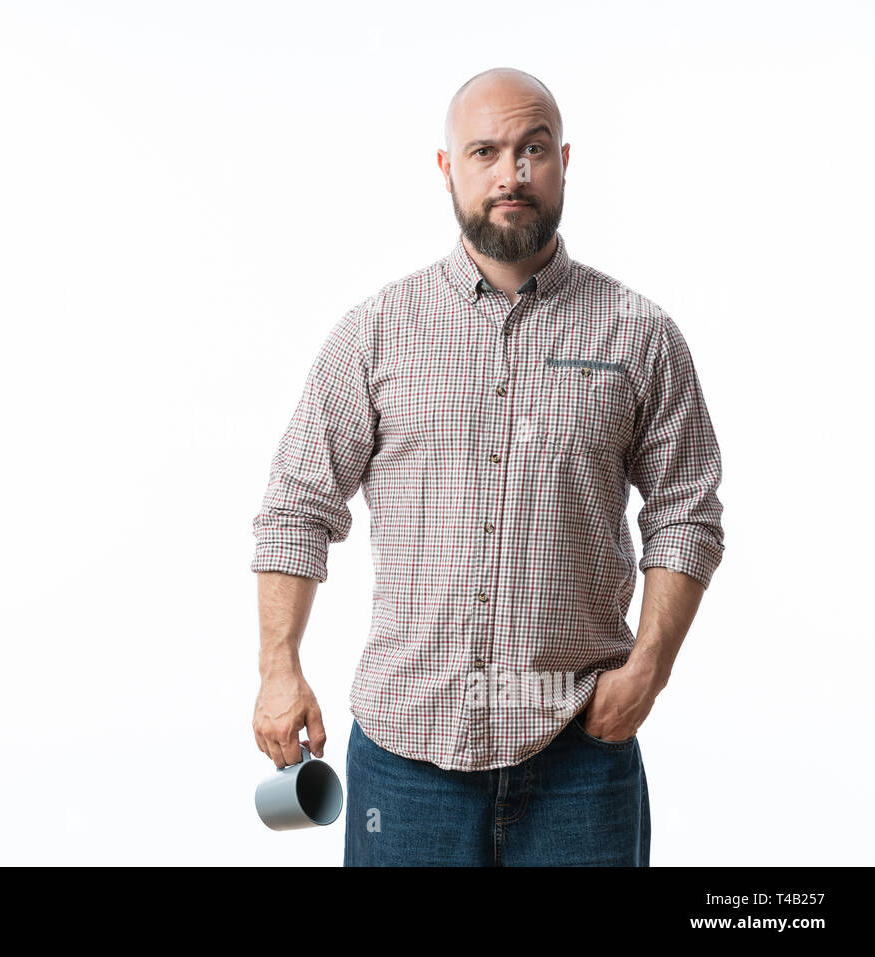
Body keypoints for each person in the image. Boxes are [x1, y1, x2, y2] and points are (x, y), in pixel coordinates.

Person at [249, 67, 725, 866]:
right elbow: (297, 508)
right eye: (486, 152)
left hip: (580, 754)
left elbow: (687, 510)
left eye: (532, 149)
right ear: (448, 169)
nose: (512, 173)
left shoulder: (640, 336)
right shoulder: (374, 333)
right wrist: (278, 667)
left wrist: (650, 666)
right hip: (405, 763)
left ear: (564, 160)